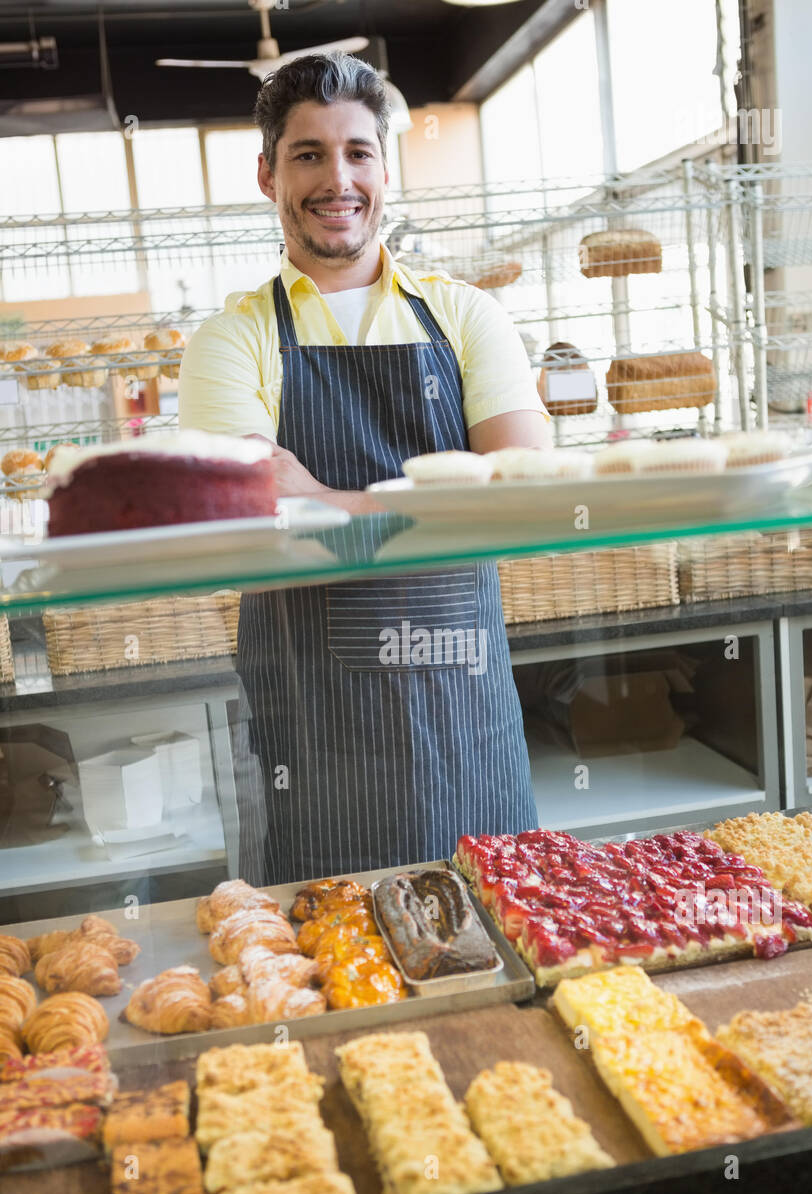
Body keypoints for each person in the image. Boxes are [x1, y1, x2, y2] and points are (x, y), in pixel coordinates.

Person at [179, 51, 550, 884]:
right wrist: (449, 499)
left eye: (357, 152)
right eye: (308, 154)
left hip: (470, 732)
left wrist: (325, 497)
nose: (336, 179)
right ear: (268, 173)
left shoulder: (464, 315)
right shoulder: (230, 341)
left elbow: (523, 497)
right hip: (318, 753)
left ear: (386, 168)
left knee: (507, 962)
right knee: (329, 981)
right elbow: (256, 517)